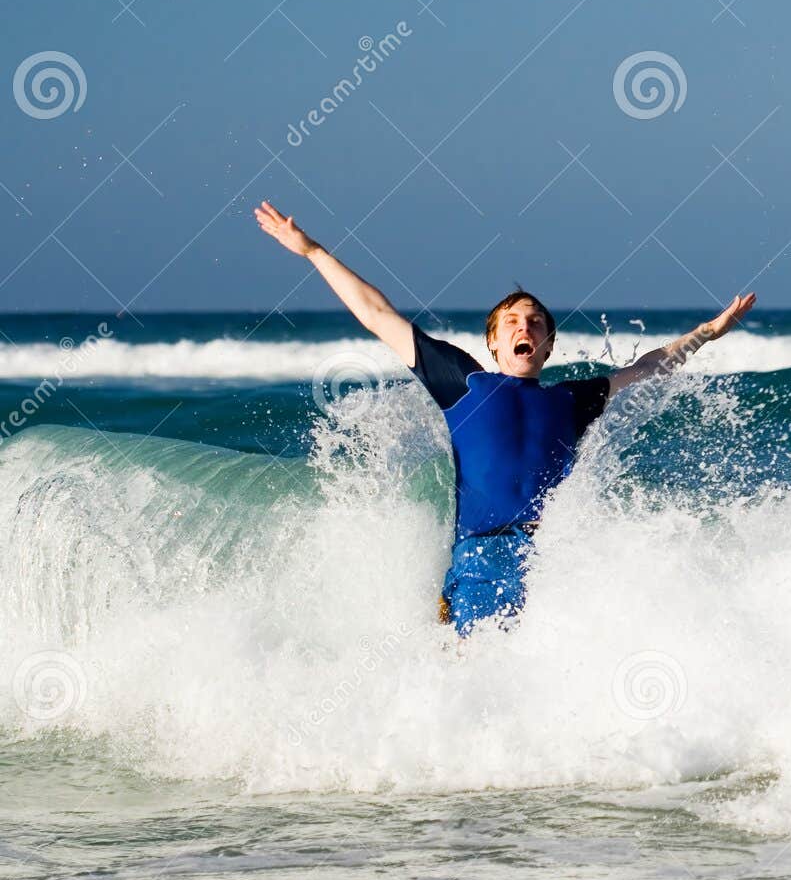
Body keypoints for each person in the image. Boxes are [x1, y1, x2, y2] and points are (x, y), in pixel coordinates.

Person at [253, 200, 756, 634]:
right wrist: (314, 251)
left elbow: (646, 368)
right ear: (493, 341)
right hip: (480, 559)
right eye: (512, 320)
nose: (525, 326)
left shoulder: (575, 398)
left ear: (547, 345)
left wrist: (707, 332)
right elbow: (379, 315)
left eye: (536, 322)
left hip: (554, 563)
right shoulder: (462, 382)